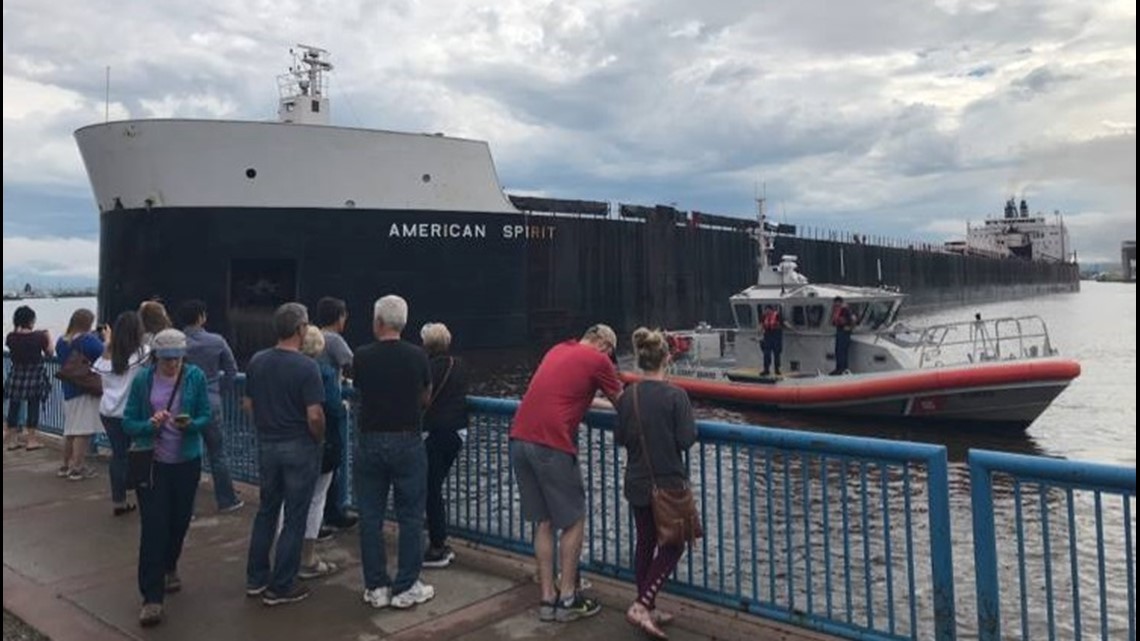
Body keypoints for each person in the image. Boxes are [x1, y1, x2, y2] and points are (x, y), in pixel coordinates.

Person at [510, 324, 623, 623]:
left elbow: (571, 395)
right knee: (573, 520)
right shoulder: (598, 360)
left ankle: (548, 598)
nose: (610, 360)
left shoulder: (558, 349)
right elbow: (622, 402)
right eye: (611, 353)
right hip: (551, 444)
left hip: (520, 440)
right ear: (603, 344)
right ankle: (569, 597)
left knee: (544, 522)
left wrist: (598, 403)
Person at [121, 328, 212, 627]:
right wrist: (148, 425)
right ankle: (151, 598)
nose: (172, 365)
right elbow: (129, 422)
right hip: (153, 463)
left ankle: (170, 564)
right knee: (154, 528)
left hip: (186, 461)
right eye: (167, 359)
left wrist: (191, 425)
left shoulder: (195, 377)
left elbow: (205, 415)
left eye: (177, 359)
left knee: (180, 520)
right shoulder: (142, 380)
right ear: (156, 356)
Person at [353, 295, 435, 610]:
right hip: (407, 440)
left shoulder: (362, 355)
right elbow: (426, 396)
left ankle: (376, 587)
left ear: (377, 322)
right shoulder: (417, 356)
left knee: (370, 517)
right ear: (403, 322)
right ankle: (406, 586)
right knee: (411, 516)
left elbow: (360, 389)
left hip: (370, 440)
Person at [614, 328, 697, 639]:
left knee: (646, 541)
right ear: (667, 358)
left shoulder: (627, 396)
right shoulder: (676, 396)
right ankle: (642, 604)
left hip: (636, 480)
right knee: (674, 544)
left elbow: (620, 438)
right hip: (668, 483)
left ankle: (647, 607)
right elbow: (686, 439)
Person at [244, 303, 325, 606]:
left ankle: (255, 578)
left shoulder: (257, 361)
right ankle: (282, 585)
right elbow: (315, 415)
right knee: (294, 517)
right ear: (300, 329)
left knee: (266, 511)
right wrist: (318, 439)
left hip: (267, 443)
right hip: (299, 445)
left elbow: (248, 405)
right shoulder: (307, 367)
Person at [274, 326, 341, 579]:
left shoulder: (276, 368)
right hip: (315, 443)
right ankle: (307, 558)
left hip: (282, 441)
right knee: (315, 500)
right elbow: (331, 409)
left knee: (286, 500)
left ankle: (283, 554)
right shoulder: (322, 372)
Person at [175, 299, 243, 513]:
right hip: (211, 403)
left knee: (184, 454)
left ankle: (186, 506)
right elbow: (232, 371)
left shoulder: (175, 342)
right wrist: (219, 391)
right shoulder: (216, 341)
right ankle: (227, 501)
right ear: (202, 317)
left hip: (182, 405)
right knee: (218, 453)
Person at [420, 322, 470, 568]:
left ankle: (437, 544)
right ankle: (438, 540)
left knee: (430, 488)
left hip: (435, 432)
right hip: (457, 431)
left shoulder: (426, 368)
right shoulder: (458, 365)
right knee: (433, 486)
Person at [93, 311, 150, 516]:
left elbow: (105, 359)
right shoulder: (142, 352)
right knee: (143, 453)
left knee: (119, 456)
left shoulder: (106, 355)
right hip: (131, 413)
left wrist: (108, 341)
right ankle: (143, 493)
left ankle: (119, 500)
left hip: (108, 411)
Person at [314, 296, 357, 536]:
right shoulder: (334, 339)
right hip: (331, 408)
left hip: (313, 405)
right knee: (333, 463)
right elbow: (353, 362)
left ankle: (327, 515)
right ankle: (332, 515)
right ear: (339, 317)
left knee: (321, 466)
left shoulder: (316, 337)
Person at [55, 308, 105, 480]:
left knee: (70, 430)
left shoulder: (61, 341)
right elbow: (105, 354)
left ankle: (65, 465)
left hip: (68, 389)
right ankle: (77, 467)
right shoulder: (89, 341)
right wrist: (105, 339)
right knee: (82, 431)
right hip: (85, 388)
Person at [4, 305, 53, 451]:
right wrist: (48, 336)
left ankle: (13, 440)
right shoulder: (39, 336)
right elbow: (50, 352)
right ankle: (32, 440)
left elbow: (13, 344)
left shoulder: (11, 337)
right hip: (34, 374)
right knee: (33, 406)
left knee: (14, 406)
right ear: (31, 320)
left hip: (16, 374)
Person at [829, 297, 856, 375]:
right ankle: (838, 368)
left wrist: (850, 328)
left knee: (842, 351)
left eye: (836, 303)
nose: (835, 304)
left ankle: (842, 369)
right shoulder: (837, 310)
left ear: (839, 302)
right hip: (839, 330)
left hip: (844, 332)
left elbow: (853, 319)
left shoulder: (845, 310)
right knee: (838, 350)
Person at [759, 304, 786, 377]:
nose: (767, 311)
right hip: (767, 337)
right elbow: (761, 325)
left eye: (768, 310)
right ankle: (766, 370)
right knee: (766, 354)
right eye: (766, 310)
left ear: (771, 310)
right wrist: (759, 333)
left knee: (777, 354)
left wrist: (794, 330)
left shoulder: (777, 316)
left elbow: (784, 323)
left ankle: (777, 370)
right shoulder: (764, 316)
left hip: (776, 337)